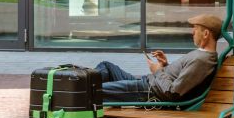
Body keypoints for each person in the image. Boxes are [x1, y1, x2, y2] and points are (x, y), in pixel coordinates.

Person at [94, 14, 222, 102]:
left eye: (195, 28)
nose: (192, 32)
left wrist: (157, 71)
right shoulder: (202, 55)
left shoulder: (202, 61)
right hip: (148, 82)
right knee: (106, 67)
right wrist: (165, 65)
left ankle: (77, 85)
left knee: (93, 91)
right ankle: (78, 80)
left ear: (206, 34)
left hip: (147, 91)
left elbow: (173, 93)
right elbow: (178, 78)